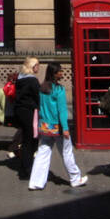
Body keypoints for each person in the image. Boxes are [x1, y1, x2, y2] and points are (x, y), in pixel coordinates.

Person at [28, 62, 87, 190]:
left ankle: (35, 182)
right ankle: (75, 178)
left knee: (42, 153)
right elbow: (62, 111)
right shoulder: (58, 90)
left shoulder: (42, 88)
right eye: (59, 71)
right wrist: (65, 129)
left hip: (45, 126)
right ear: (54, 74)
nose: (62, 73)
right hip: (58, 127)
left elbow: (40, 108)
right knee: (67, 153)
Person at [13, 57, 41, 180]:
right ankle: (25, 170)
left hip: (20, 111)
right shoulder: (33, 81)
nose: (38, 67)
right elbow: (38, 97)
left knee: (26, 139)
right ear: (32, 66)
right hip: (29, 112)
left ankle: (25, 166)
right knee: (30, 141)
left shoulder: (20, 79)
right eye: (37, 65)